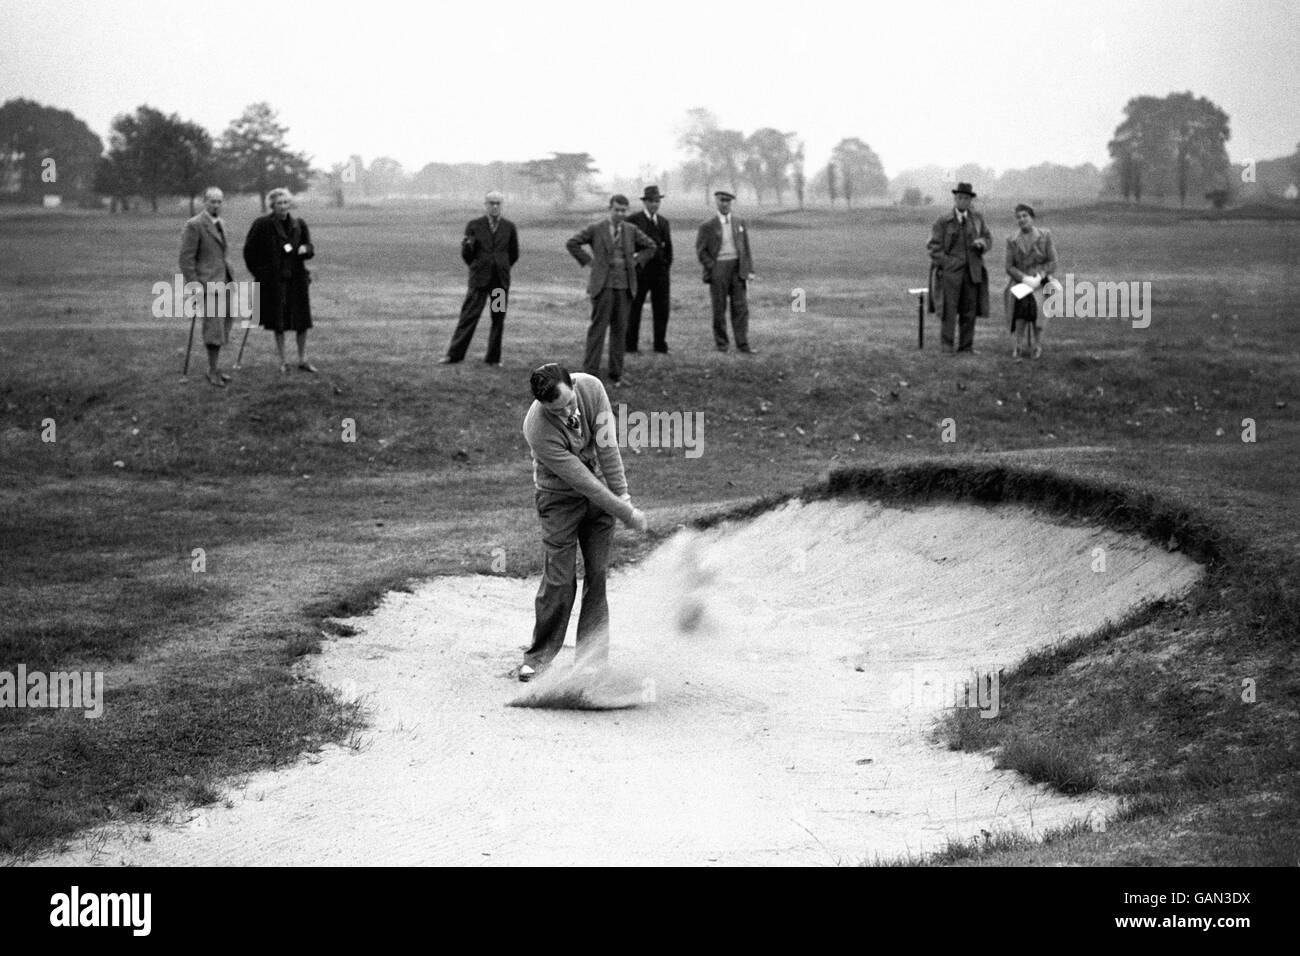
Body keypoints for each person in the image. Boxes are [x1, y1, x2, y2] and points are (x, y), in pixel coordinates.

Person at [519, 363, 648, 681]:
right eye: (556, 410)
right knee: (560, 579)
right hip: (559, 500)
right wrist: (625, 512)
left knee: (598, 574)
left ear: (573, 385)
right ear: (542, 405)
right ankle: (539, 657)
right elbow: (582, 481)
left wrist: (624, 497)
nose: (566, 413)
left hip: (601, 497)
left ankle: (591, 661)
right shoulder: (536, 428)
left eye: (568, 404)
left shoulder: (591, 388)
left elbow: (607, 447)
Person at [565, 195, 657, 387]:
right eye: (617, 210)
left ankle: (616, 373)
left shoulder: (631, 230)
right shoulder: (596, 228)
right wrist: (590, 262)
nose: (620, 214)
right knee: (597, 330)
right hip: (603, 286)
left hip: (624, 287)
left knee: (620, 330)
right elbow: (572, 243)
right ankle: (590, 374)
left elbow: (651, 246)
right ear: (610, 209)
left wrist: (636, 260)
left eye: (624, 210)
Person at [440, 190, 519, 367]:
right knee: (469, 316)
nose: (495, 206)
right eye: (491, 203)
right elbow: (467, 253)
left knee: (498, 319)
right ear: (486, 205)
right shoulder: (474, 225)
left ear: (502, 205)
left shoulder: (509, 227)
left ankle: (493, 358)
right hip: (479, 281)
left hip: (499, 283)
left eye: (498, 203)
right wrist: (478, 266)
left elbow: (513, 254)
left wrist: (501, 266)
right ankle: (454, 355)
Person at [243, 187, 316, 373]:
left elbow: (310, 249)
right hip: (274, 281)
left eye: (285, 202)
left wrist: (305, 250)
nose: (283, 206)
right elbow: (249, 252)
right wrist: (260, 274)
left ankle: (302, 359)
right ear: (272, 206)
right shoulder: (262, 224)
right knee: (279, 321)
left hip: (297, 279)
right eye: (279, 203)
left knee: (302, 320)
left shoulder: (299, 224)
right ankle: (282, 360)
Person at [178, 187, 236, 388]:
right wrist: (194, 285)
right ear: (205, 202)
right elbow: (186, 259)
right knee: (213, 328)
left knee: (224, 325)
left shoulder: (221, 223)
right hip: (208, 285)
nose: (216, 205)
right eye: (212, 201)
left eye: (219, 201)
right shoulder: (194, 225)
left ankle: (216, 367)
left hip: (225, 282)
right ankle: (212, 371)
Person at [927, 182, 992, 354]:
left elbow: (988, 238)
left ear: (971, 200)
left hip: (972, 272)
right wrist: (947, 264)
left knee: (969, 310)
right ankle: (947, 346)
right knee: (949, 309)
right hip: (951, 274)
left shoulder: (977, 219)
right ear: (955, 199)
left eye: (966, 198)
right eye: (959, 198)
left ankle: (966, 346)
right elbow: (933, 247)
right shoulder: (943, 221)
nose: (963, 201)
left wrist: (982, 244)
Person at [695, 189, 757, 354]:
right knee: (719, 308)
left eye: (728, 201)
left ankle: (742, 343)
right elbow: (701, 251)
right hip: (719, 268)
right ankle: (722, 344)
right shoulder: (707, 225)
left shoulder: (739, 222)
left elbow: (745, 248)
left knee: (740, 307)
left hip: (737, 268)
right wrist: (712, 267)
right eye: (722, 201)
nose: (725, 204)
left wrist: (749, 269)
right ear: (716, 202)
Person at [1004, 203, 1059, 360]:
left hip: (1041, 281)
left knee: (1038, 307)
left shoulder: (1045, 235)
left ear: (1032, 218)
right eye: (1018, 217)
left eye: (1025, 216)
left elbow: (1053, 262)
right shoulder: (1012, 240)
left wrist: (1040, 276)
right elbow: (1009, 266)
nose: (1022, 220)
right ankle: (1018, 345)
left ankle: (1037, 345)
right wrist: (1024, 278)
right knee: (1020, 306)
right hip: (1020, 281)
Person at [625, 185, 673, 354]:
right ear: (645, 202)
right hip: (640, 273)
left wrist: (666, 266)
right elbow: (627, 246)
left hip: (660, 273)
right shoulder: (633, 220)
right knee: (634, 308)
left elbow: (669, 249)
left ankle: (660, 345)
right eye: (652, 201)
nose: (655, 204)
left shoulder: (663, 222)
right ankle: (630, 346)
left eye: (657, 201)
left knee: (662, 309)